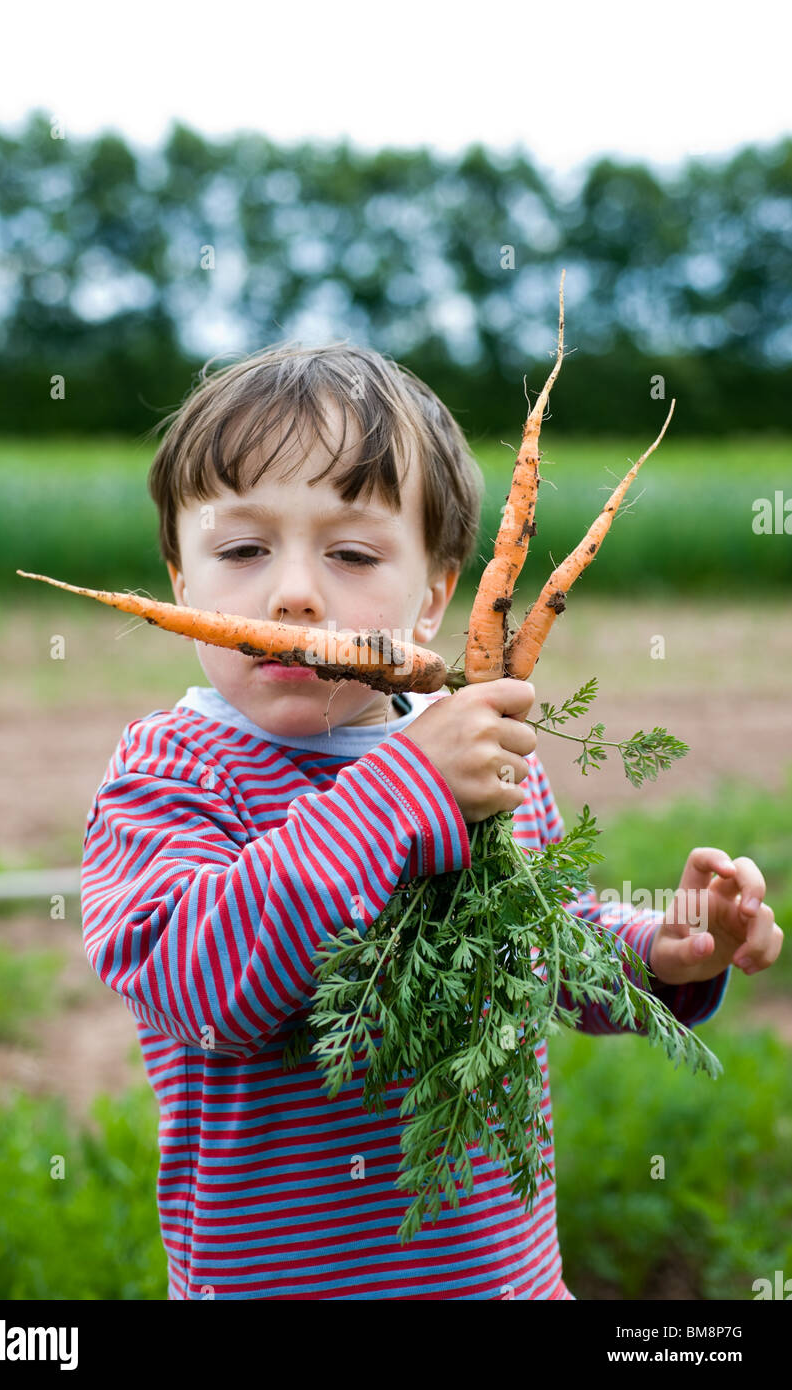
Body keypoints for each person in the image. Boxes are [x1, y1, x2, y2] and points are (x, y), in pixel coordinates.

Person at [80, 341, 782, 1300]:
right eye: (242, 550)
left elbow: (540, 948)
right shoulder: (173, 772)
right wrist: (404, 793)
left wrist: (662, 950)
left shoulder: (478, 756)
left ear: (434, 599)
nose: (291, 592)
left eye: (352, 553)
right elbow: (200, 990)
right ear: (179, 583)